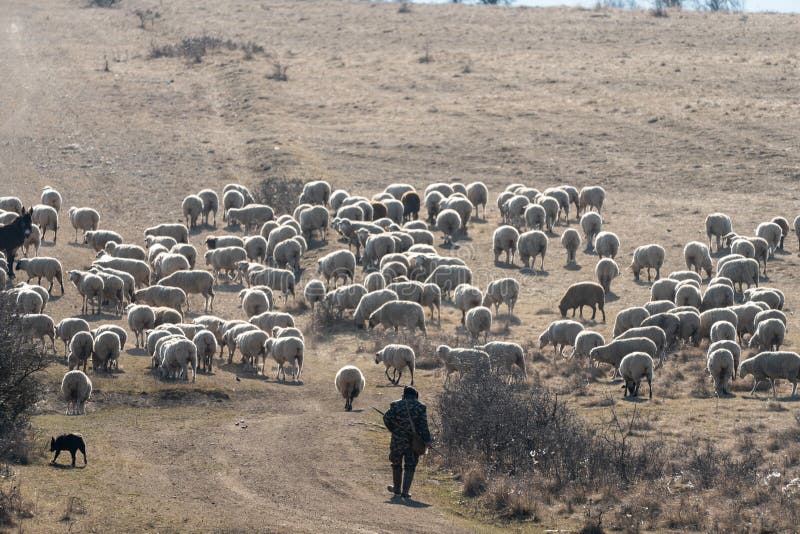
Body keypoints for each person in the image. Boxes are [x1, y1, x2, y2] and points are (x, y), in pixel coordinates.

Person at [382, 386, 431, 499]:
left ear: (403, 395)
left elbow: (386, 418)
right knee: (410, 466)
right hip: (413, 442)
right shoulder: (420, 407)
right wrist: (427, 440)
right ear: (415, 396)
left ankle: (397, 489)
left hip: (397, 440)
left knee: (396, 464)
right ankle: (405, 491)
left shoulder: (395, 405)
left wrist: (394, 430)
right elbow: (424, 426)